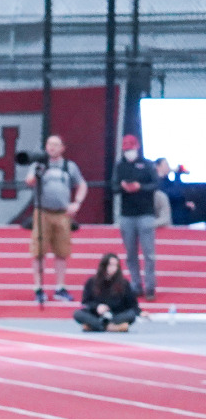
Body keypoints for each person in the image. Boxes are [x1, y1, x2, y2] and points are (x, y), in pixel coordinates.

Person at [25, 134, 83, 305]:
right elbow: (29, 182)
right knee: (38, 252)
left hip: (62, 214)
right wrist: (38, 173)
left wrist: (77, 203)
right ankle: (38, 288)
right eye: (49, 144)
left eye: (56, 145)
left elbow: (82, 184)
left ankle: (60, 287)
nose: (52, 148)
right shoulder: (39, 164)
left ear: (62, 148)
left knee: (62, 252)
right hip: (42, 212)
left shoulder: (69, 166)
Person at [114, 133, 158, 302]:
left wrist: (140, 187)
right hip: (127, 215)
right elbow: (113, 186)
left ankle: (150, 286)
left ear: (137, 148)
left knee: (149, 253)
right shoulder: (120, 166)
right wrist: (123, 187)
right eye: (126, 150)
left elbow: (156, 184)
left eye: (131, 149)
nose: (128, 152)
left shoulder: (147, 165)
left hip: (145, 213)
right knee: (130, 253)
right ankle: (135, 284)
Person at [75, 253, 140, 332]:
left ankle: (94, 326)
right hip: (96, 315)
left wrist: (140, 312)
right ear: (104, 265)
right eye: (111, 265)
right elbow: (86, 302)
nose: (113, 268)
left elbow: (132, 304)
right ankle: (109, 327)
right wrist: (97, 307)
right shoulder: (92, 281)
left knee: (131, 315)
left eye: (116, 265)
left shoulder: (123, 283)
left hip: (115, 315)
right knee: (78, 314)